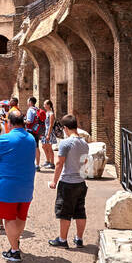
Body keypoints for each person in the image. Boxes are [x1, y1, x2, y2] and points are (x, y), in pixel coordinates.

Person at [0, 107, 36, 263]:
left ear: (9, 123)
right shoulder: (31, 138)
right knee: (20, 216)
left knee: (9, 219)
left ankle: (14, 251)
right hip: (26, 185)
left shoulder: (6, 139)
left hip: (8, 186)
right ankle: (16, 242)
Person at [48, 114, 90, 250]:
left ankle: (62, 239)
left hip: (68, 182)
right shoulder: (84, 143)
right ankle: (79, 239)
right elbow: (85, 164)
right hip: (80, 182)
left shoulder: (66, 143)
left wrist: (54, 182)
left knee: (65, 212)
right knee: (80, 211)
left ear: (65, 128)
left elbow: (59, 163)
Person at [41, 99, 56, 170]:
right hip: (45, 131)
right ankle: (48, 161)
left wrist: (48, 135)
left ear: (48, 105)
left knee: (49, 148)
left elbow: (51, 125)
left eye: (45, 104)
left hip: (49, 132)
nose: (44, 105)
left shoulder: (51, 114)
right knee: (44, 146)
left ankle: (52, 163)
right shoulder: (46, 113)